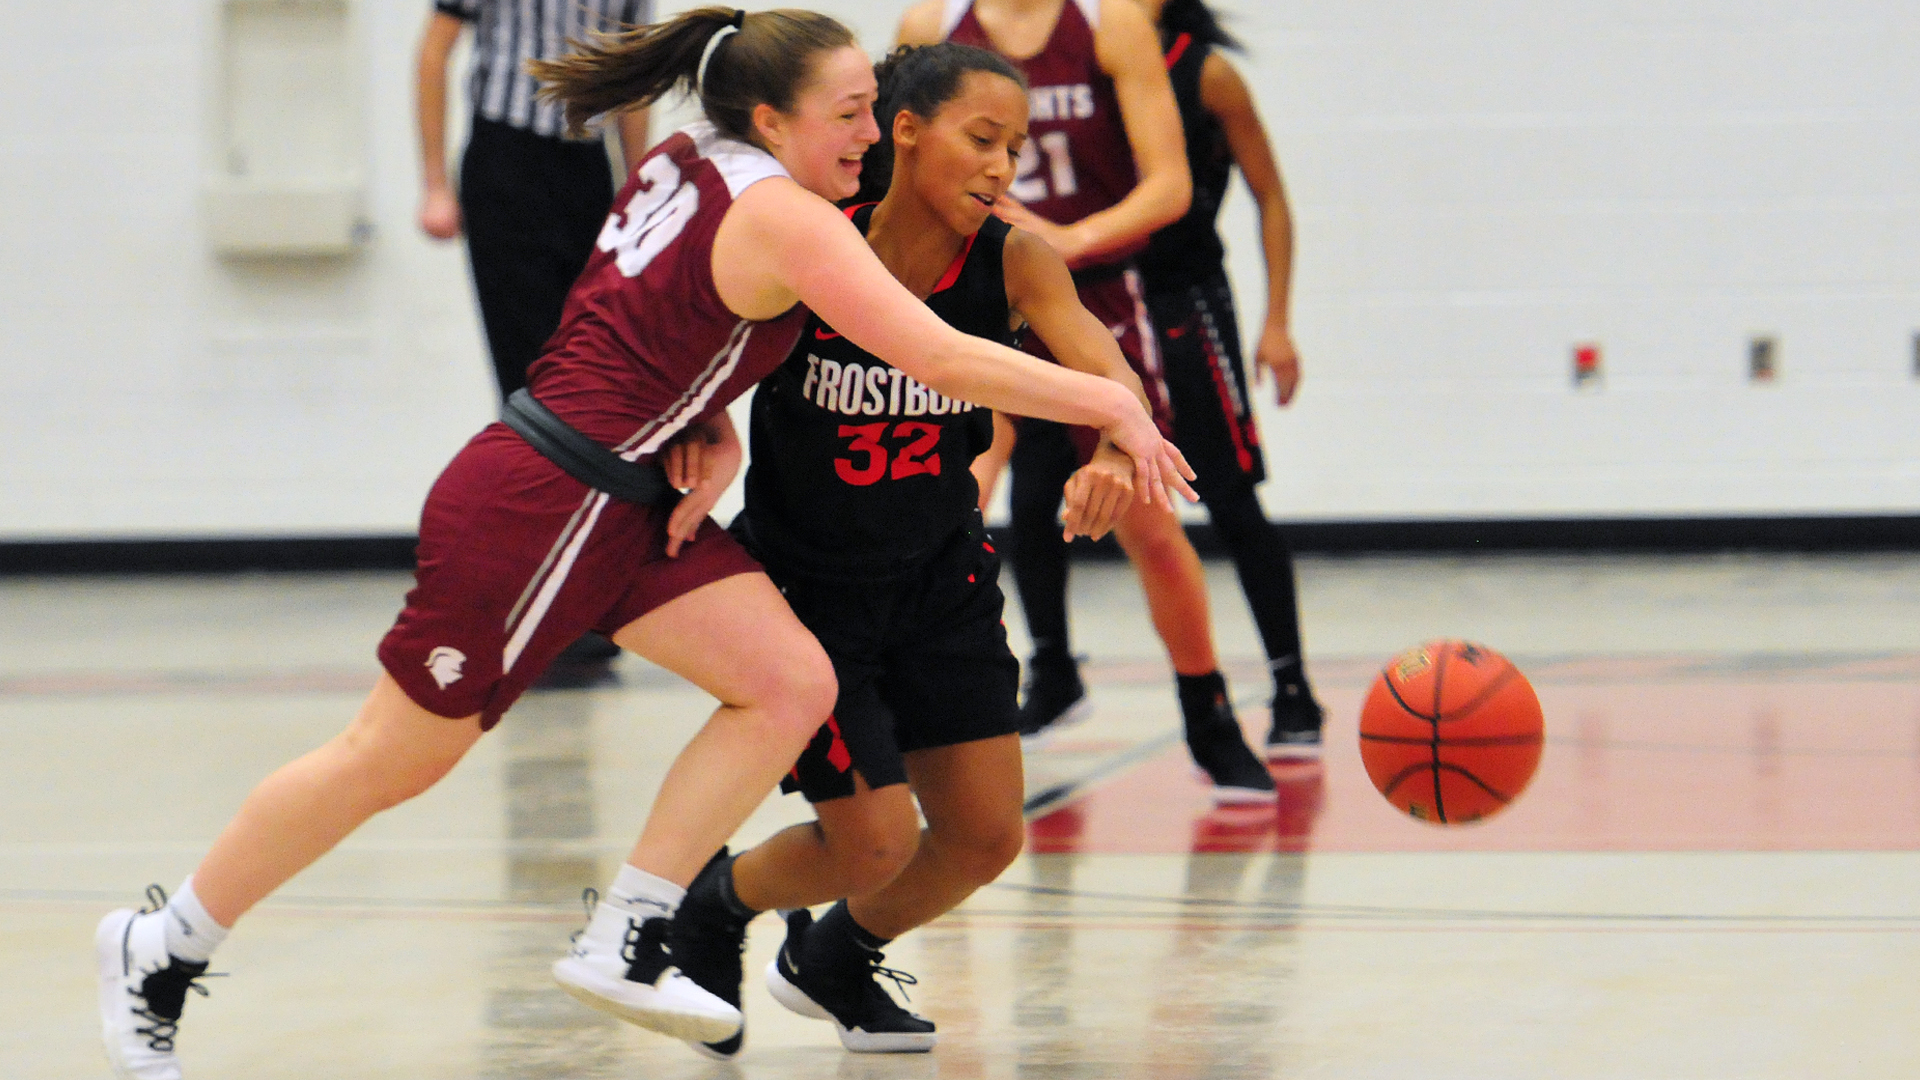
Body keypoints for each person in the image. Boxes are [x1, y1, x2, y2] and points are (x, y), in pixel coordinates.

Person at [94, 10, 1192, 1079]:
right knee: (390, 759)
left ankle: (632, 930)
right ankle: (165, 943)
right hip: (546, 499)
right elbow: (943, 360)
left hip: (631, 495)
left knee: (785, 678)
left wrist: (702, 417)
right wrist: (1124, 413)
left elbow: (652, 311)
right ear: (771, 117)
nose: (871, 130)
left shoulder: (686, 153)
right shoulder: (797, 220)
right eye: (852, 112)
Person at [665, 41, 1149, 1059]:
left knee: (984, 837)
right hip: (807, 593)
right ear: (907, 128)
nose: (1003, 168)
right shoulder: (814, 238)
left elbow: (1110, 375)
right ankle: (714, 901)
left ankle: (835, 958)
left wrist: (1112, 448)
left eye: (1017, 147)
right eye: (983, 139)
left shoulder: (1015, 259)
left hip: (941, 582)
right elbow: (692, 346)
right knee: (874, 840)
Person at [900, 0, 1274, 800]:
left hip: (1090, 290)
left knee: (1146, 511)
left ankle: (1208, 713)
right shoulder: (929, 25)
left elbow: (1170, 183)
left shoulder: (1110, 24)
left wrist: (1070, 240)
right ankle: (947, 715)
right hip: (966, 285)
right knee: (945, 503)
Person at [416, 0, 654, 678]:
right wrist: (435, 182)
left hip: (585, 165)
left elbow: (632, 74)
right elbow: (436, 51)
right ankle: (522, 601)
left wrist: (641, 189)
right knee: (527, 391)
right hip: (505, 158)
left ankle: (574, 598)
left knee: (588, 387)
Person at [1133, 0, 1325, 756]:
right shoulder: (1076, 69)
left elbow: (1270, 195)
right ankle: (1052, 674)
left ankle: (1291, 684)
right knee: (1052, 484)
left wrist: (1277, 321)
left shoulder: (1203, 73)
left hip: (1185, 299)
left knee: (1231, 495)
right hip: (1095, 295)